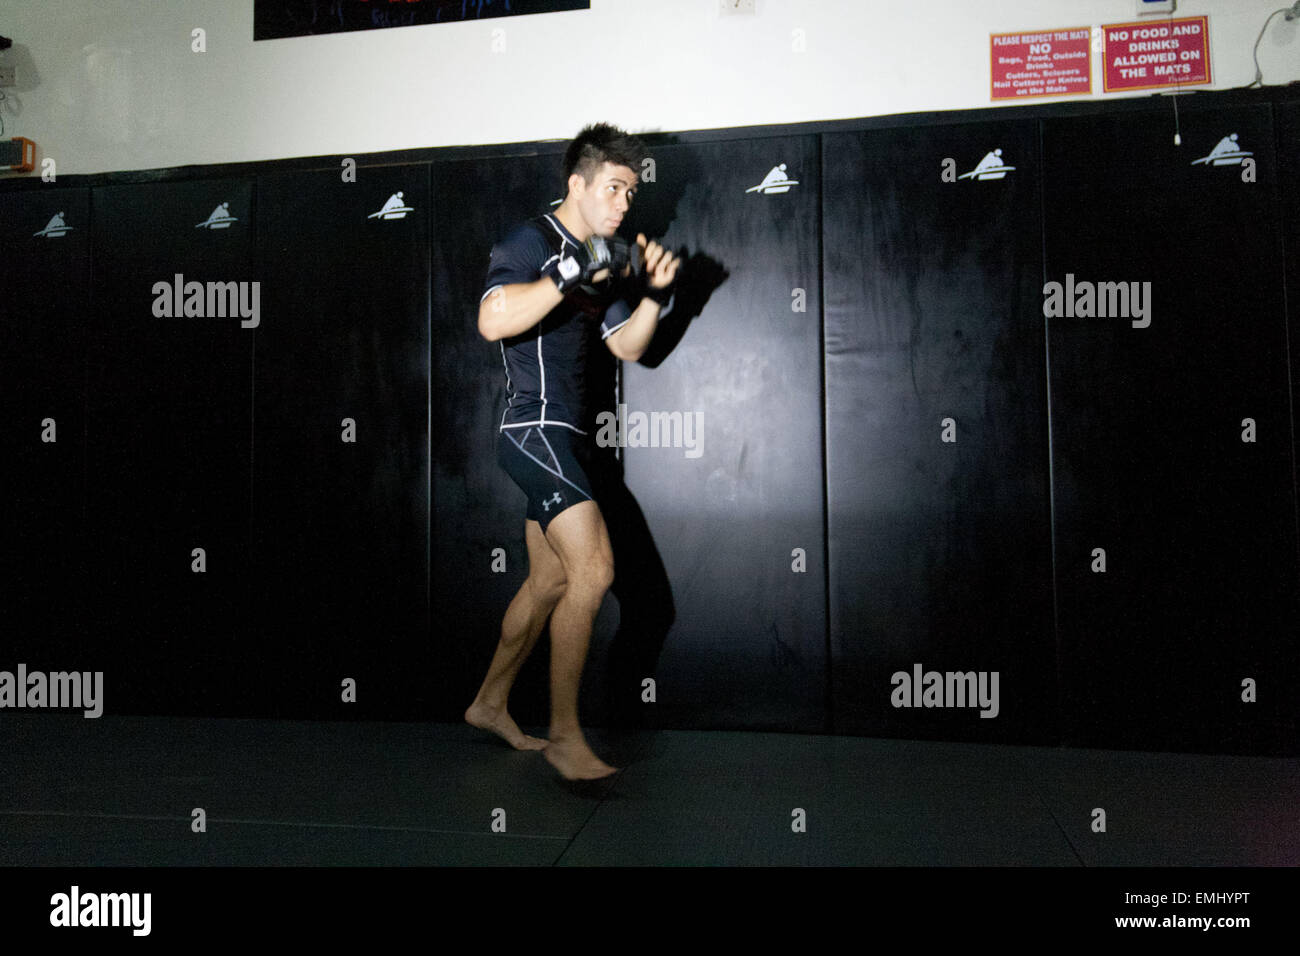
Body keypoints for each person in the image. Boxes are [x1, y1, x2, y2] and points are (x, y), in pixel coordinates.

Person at [464, 122, 680, 781]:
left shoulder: (599, 253)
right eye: (613, 189)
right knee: (594, 571)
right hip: (533, 431)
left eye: (630, 193)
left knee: (552, 578)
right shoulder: (535, 241)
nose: (622, 204)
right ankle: (564, 733)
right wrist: (564, 272)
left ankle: (490, 703)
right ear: (577, 183)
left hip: (569, 442)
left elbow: (628, 346)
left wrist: (658, 297)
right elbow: (493, 319)